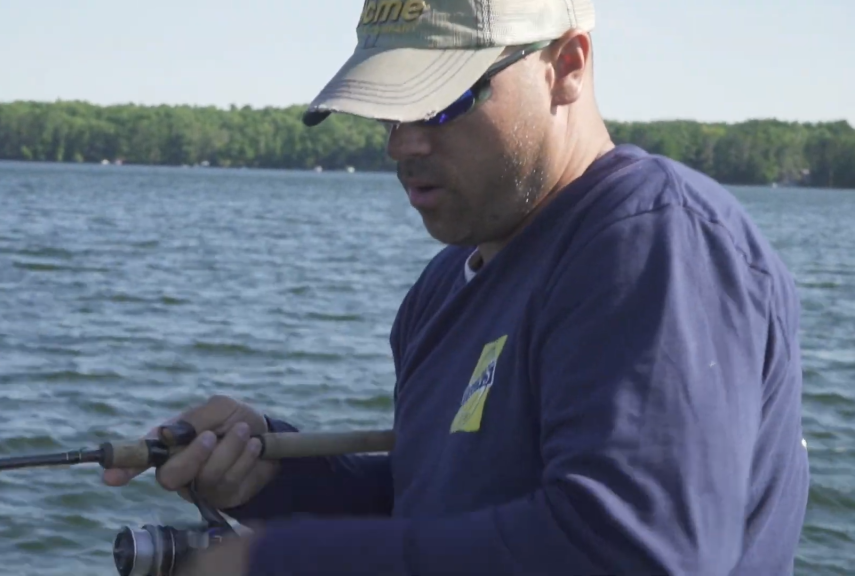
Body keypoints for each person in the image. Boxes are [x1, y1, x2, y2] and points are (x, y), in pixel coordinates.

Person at [103, 0, 811, 574]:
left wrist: (277, 561)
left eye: (442, 102)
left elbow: (635, 550)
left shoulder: (654, 240)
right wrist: (276, 482)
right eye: (387, 108)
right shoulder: (441, 290)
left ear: (567, 66)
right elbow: (438, 507)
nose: (402, 143)